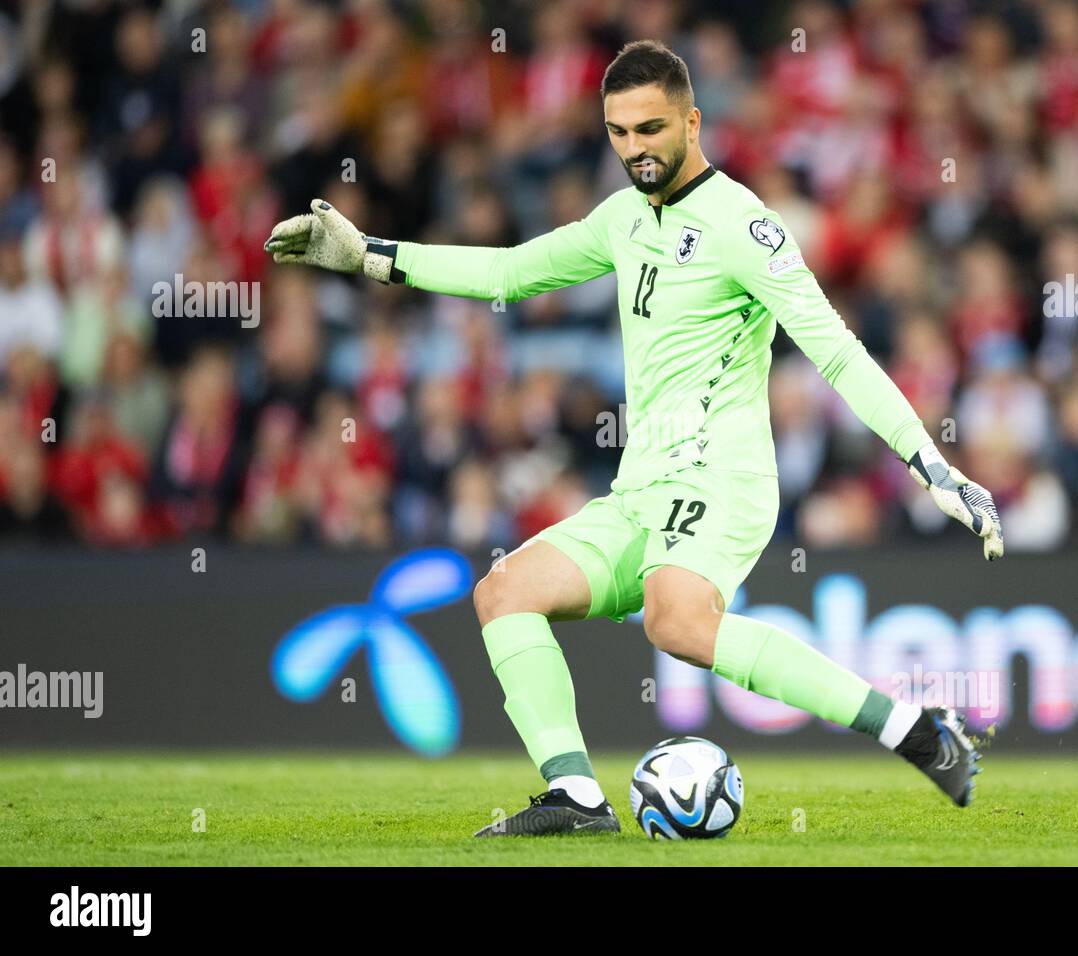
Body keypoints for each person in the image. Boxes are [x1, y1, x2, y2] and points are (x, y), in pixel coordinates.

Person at [265, 40, 1003, 837]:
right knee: (504, 594)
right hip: (641, 489)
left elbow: (836, 350)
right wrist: (369, 256)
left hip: (722, 479)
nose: (635, 149)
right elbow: (509, 272)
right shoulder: (622, 218)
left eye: (650, 129)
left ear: (691, 121)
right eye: (618, 132)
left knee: (674, 620)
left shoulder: (744, 225)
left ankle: (916, 732)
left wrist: (930, 464)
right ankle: (576, 797)